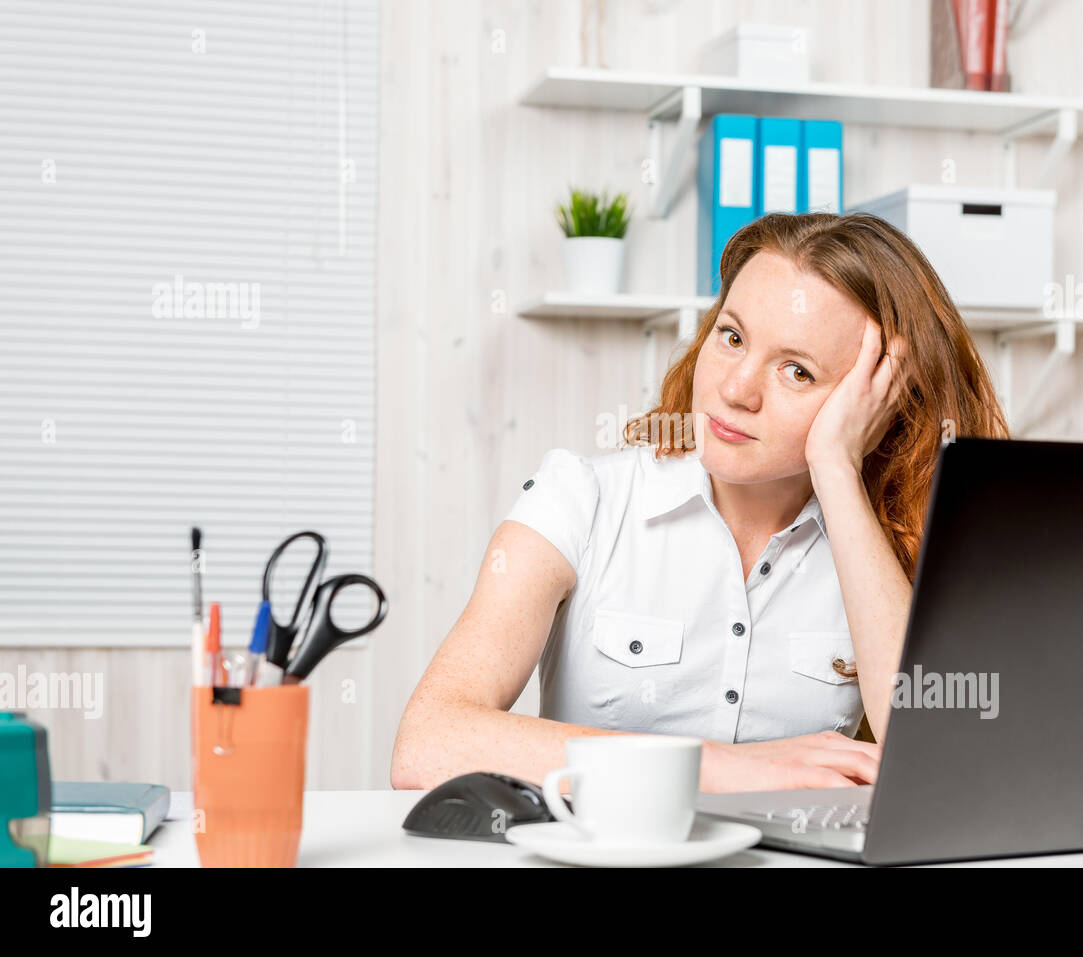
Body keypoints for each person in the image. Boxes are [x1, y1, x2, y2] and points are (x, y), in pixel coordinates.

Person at [391, 212, 1009, 793]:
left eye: (797, 371)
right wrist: (726, 768)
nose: (736, 389)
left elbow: (941, 761)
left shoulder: (889, 540)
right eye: (732, 336)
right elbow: (428, 743)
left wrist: (837, 469)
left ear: (877, 400)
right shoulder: (580, 499)